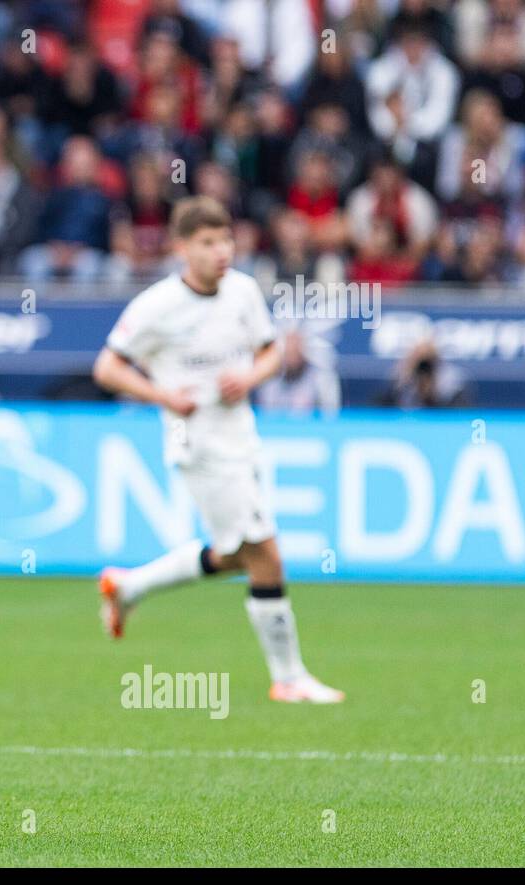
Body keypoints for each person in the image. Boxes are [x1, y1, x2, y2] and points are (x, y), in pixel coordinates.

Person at [92, 196, 344, 704]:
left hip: (241, 436)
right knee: (265, 554)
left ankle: (128, 587)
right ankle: (288, 677)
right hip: (199, 443)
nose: (221, 251)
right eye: (208, 242)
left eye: (226, 239)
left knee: (236, 554)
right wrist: (163, 395)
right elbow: (107, 368)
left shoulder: (244, 292)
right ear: (183, 247)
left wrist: (249, 376)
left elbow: (271, 350)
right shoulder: (156, 306)